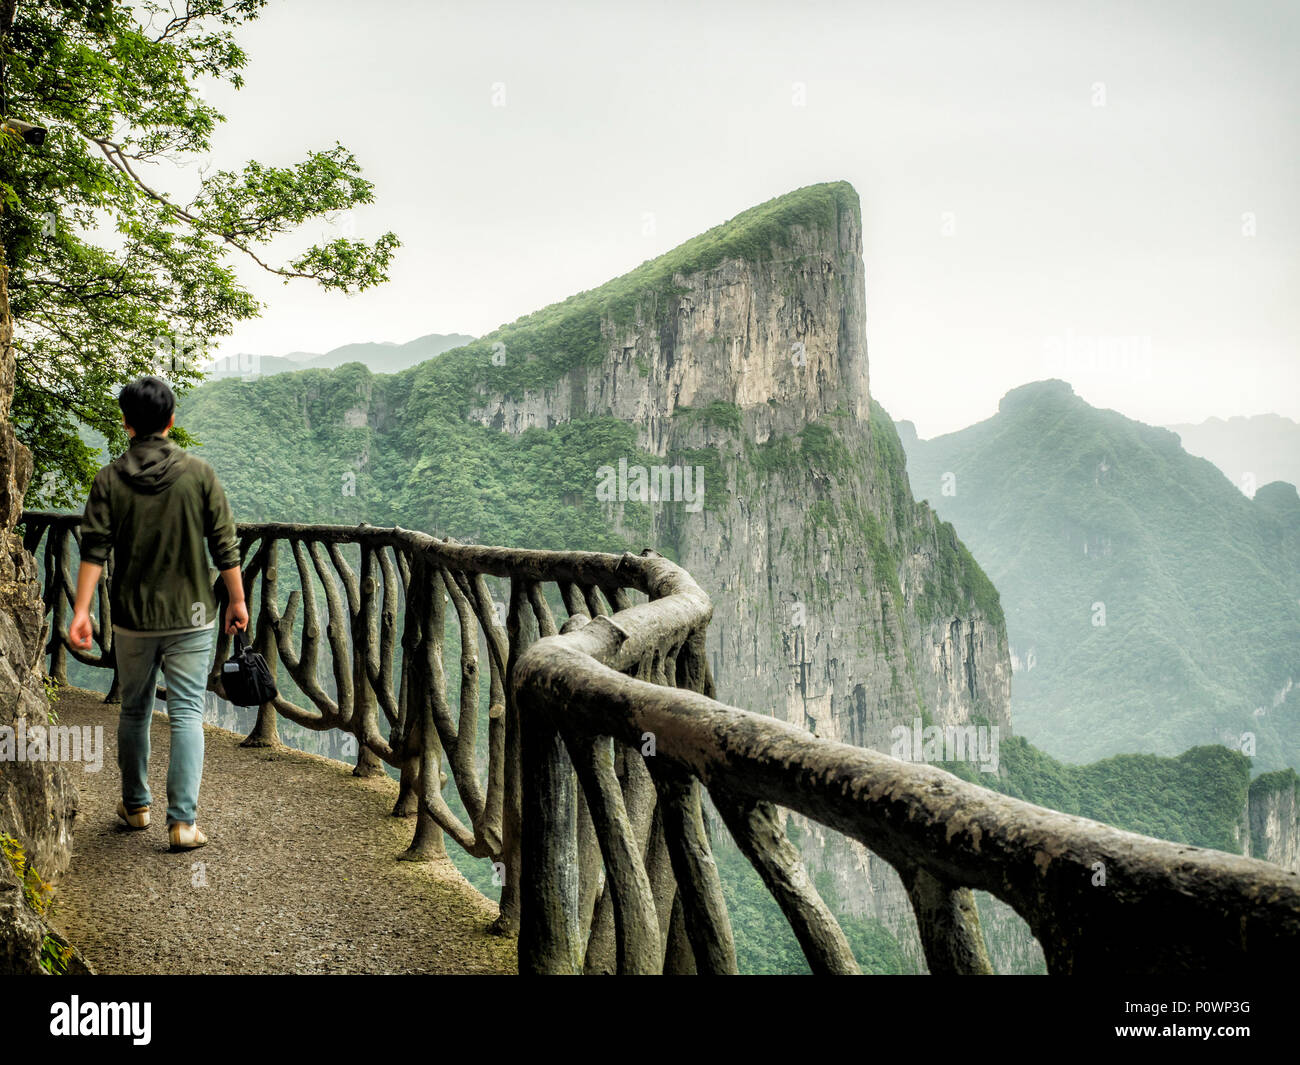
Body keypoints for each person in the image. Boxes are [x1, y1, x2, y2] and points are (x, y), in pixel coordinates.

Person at [69, 377, 248, 851]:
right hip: (191, 615)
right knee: (188, 711)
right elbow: (225, 547)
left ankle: (135, 807)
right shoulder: (200, 474)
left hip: (131, 616)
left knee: (135, 709)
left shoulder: (110, 479)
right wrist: (238, 600)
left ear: (126, 423)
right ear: (171, 420)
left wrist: (81, 610)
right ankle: (183, 823)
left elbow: (94, 549)